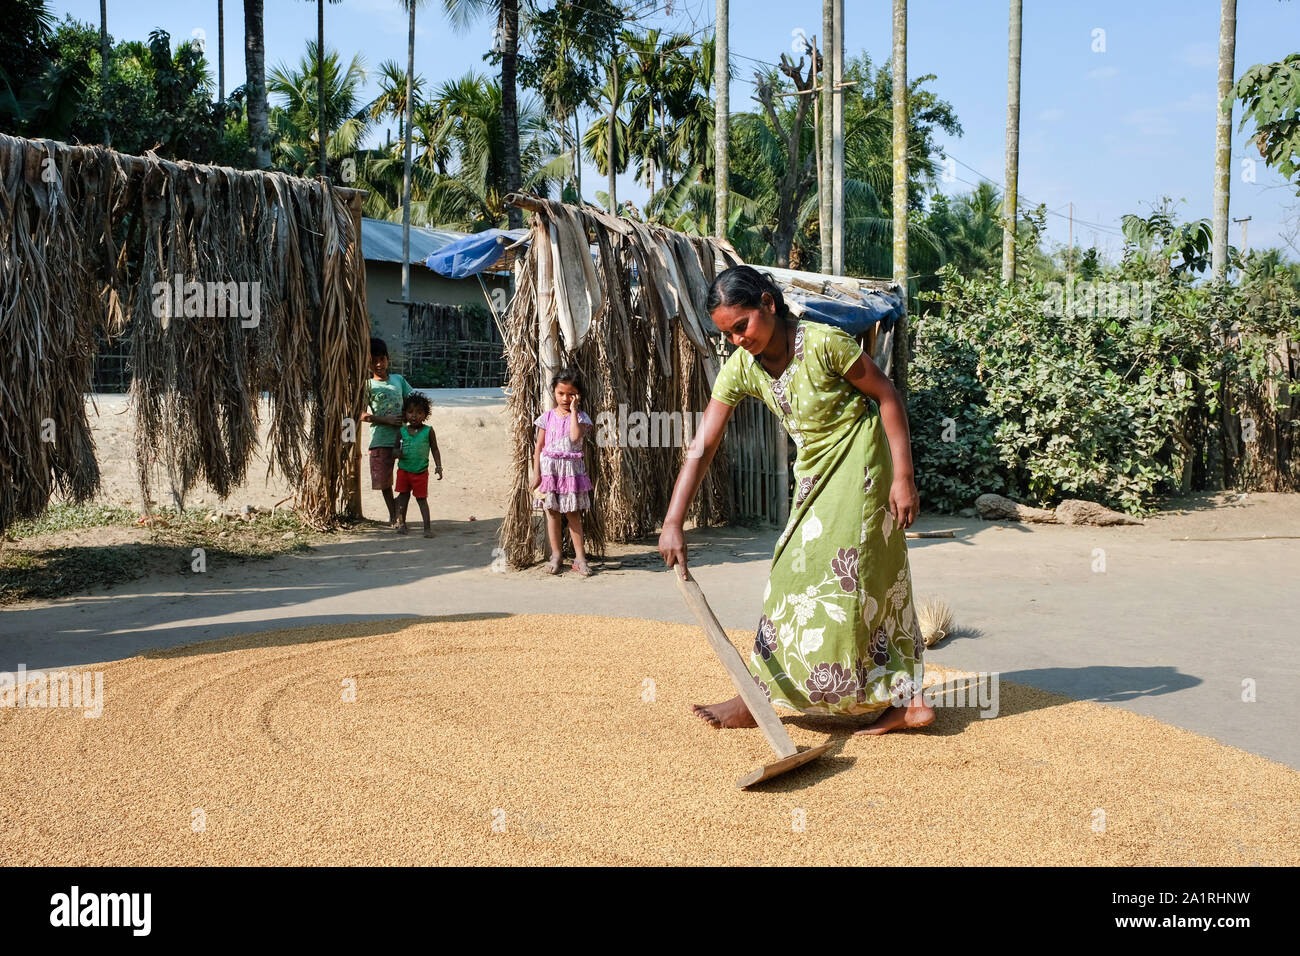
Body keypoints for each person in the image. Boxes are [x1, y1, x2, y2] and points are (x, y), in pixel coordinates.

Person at [658, 265, 934, 736]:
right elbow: (703, 444)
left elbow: (886, 395)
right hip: (814, 473)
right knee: (871, 582)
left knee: (811, 574)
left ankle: (757, 697)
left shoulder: (825, 343)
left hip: (862, 463)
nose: (737, 341)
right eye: (727, 334)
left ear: (768, 303)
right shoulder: (743, 366)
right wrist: (673, 520)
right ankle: (908, 701)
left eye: (741, 326)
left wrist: (904, 477)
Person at [531, 368, 595, 576]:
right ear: (554, 392)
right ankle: (556, 555)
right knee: (552, 513)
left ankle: (579, 558)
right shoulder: (546, 418)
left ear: (578, 395)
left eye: (571, 394)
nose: (565, 398)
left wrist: (575, 411)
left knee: (573, 514)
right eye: (561, 393)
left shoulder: (582, 417)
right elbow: (538, 447)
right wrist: (536, 474)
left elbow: (575, 438)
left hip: (570, 471)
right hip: (550, 470)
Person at [360, 338, 411, 526]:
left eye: (382, 359)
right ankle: (393, 513)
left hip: (403, 438)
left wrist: (408, 415)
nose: (379, 364)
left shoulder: (399, 380)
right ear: (368, 363)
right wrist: (384, 420)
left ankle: (399, 505)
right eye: (374, 361)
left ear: (388, 359)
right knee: (384, 479)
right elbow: (360, 414)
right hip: (380, 439)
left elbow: (412, 401)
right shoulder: (368, 385)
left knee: (409, 475)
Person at [394, 392, 442, 537]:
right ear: (405, 414)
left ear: (426, 415)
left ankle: (427, 528)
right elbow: (394, 450)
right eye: (410, 412)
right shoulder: (401, 431)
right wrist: (397, 453)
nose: (414, 416)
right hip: (403, 471)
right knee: (403, 498)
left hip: (420, 472)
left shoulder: (428, 431)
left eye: (419, 412)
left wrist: (438, 466)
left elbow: (434, 449)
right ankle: (402, 524)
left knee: (422, 500)